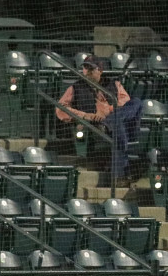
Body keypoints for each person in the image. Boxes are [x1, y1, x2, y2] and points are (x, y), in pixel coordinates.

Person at [55, 55, 142, 183]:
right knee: (120, 128)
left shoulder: (114, 84)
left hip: (110, 121)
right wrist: (85, 115)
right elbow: (60, 108)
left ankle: (110, 123)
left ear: (100, 70)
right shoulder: (75, 87)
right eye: (85, 68)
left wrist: (108, 112)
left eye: (91, 68)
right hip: (94, 126)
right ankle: (118, 176)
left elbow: (125, 104)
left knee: (136, 102)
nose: (87, 71)